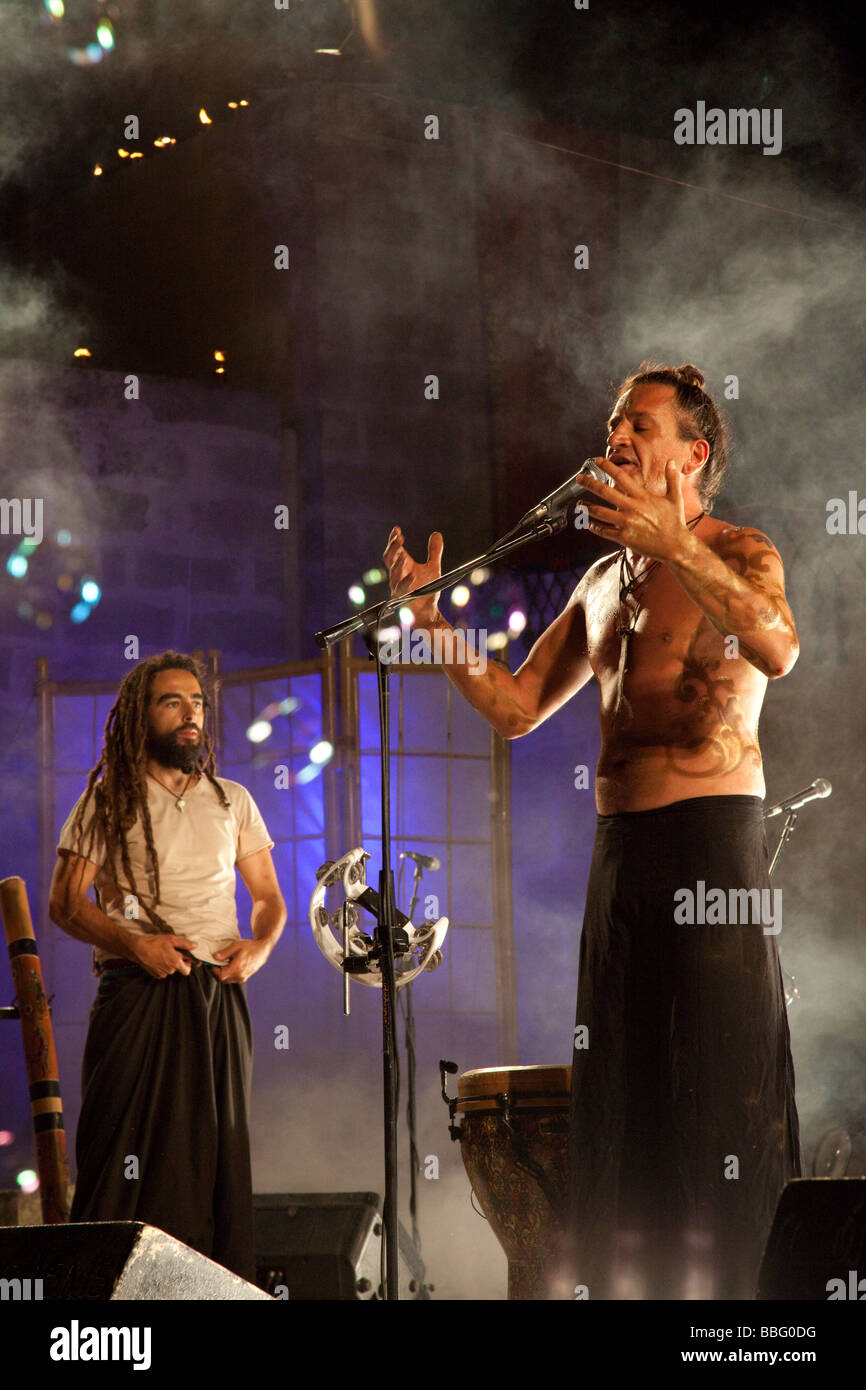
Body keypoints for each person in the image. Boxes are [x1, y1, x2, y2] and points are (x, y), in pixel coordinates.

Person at [382, 362, 801, 1299]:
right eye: (614, 421)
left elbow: (777, 643)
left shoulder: (741, 549)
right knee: (621, 1096)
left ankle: (749, 1321)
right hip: (623, 860)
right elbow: (518, 707)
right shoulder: (601, 581)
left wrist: (675, 544)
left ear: (691, 453)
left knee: (721, 1098)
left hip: (713, 845)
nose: (618, 434)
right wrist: (431, 620)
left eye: (640, 424)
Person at [49, 650, 286, 1282]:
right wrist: (137, 944)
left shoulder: (232, 800)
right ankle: (107, 1306)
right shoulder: (108, 799)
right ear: (140, 716)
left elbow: (268, 898)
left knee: (216, 1157)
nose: (190, 715)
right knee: (120, 1153)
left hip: (216, 996)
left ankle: (207, 1291)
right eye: (172, 702)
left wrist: (258, 949)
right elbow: (64, 903)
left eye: (198, 702)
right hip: (138, 993)